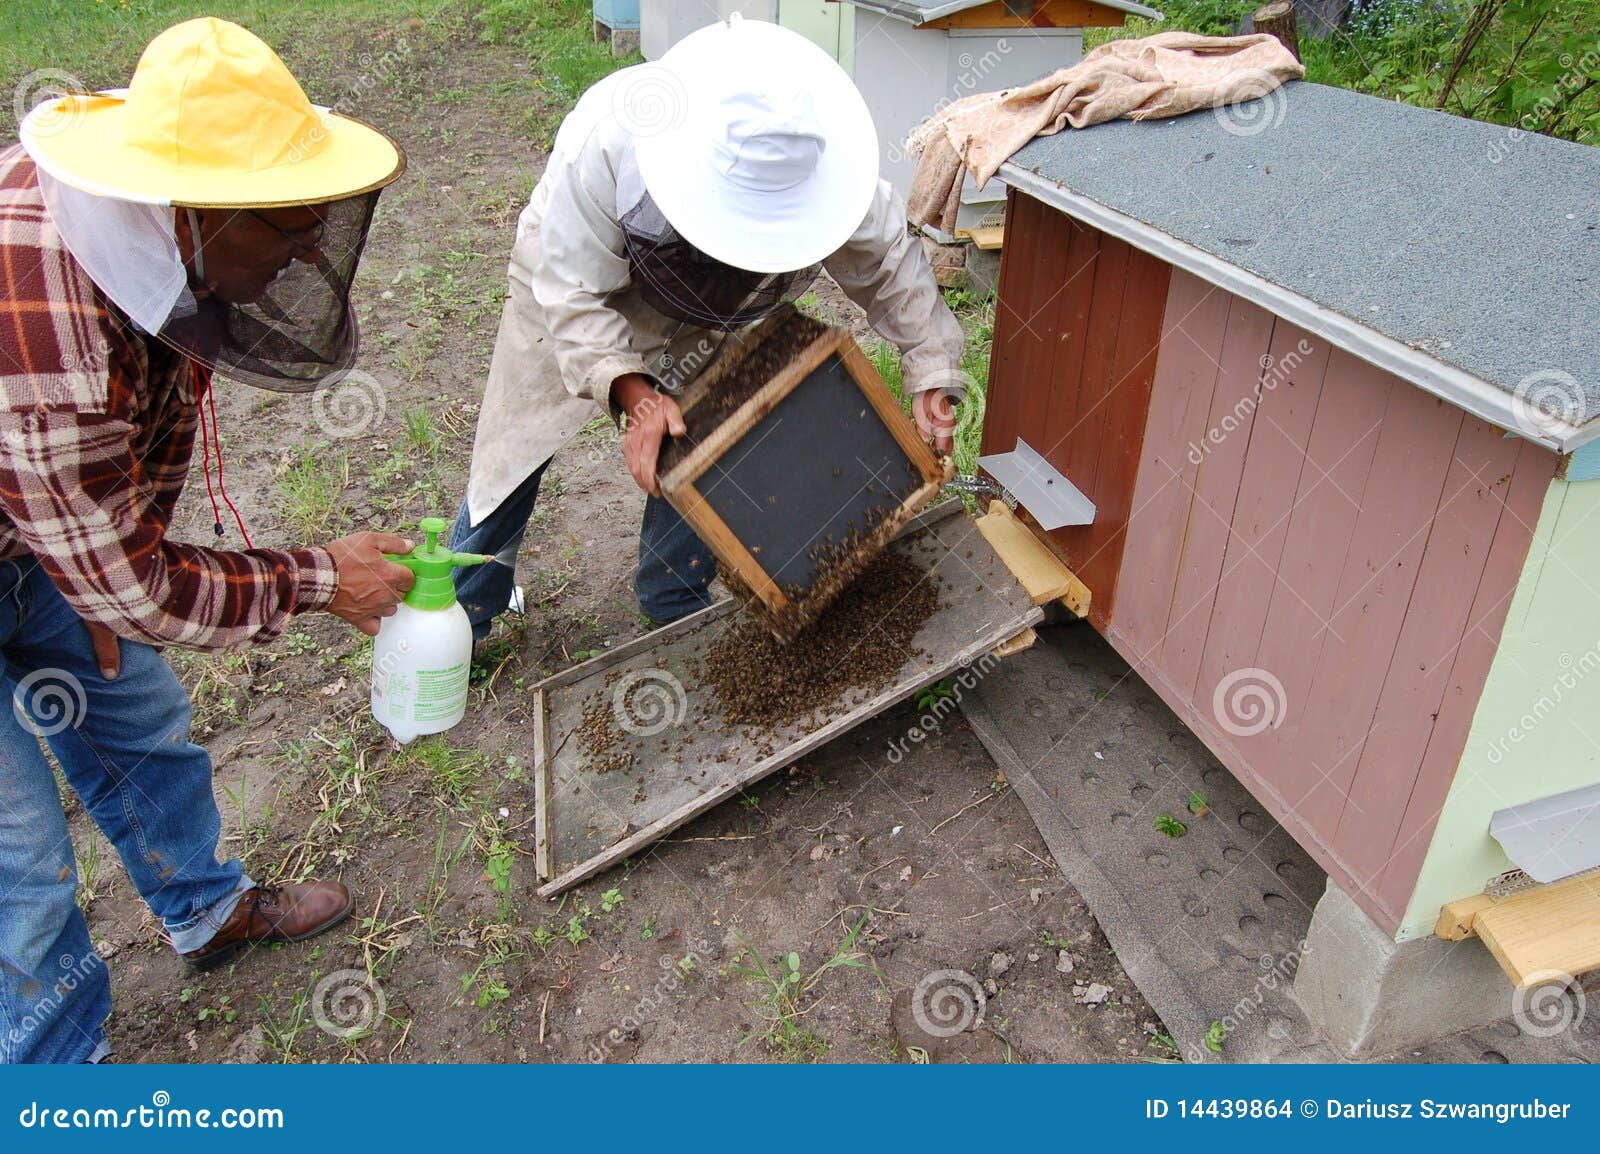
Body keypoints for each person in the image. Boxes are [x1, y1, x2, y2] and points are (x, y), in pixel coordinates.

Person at [0, 18, 414, 1064]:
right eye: (286, 227)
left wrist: (97, 586)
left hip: (35, 518)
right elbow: (137, 579)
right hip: (34, 501)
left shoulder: (148, 236)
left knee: (140, 719)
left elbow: (131, 472)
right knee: (22, 865)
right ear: (193, 213)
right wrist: (320, 578)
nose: (312, 250)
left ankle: (204, 907)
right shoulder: (49, 331)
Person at [452, 15, 967, 635]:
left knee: (710, 429)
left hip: (720, 314)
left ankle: (673, 597)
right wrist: (633, 393)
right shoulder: (609, 142)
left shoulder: (830, 171)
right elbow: (570, 293)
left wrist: (933, 368)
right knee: (518, 439)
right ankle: (466, 609)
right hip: (580, 279)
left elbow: (890, 265)